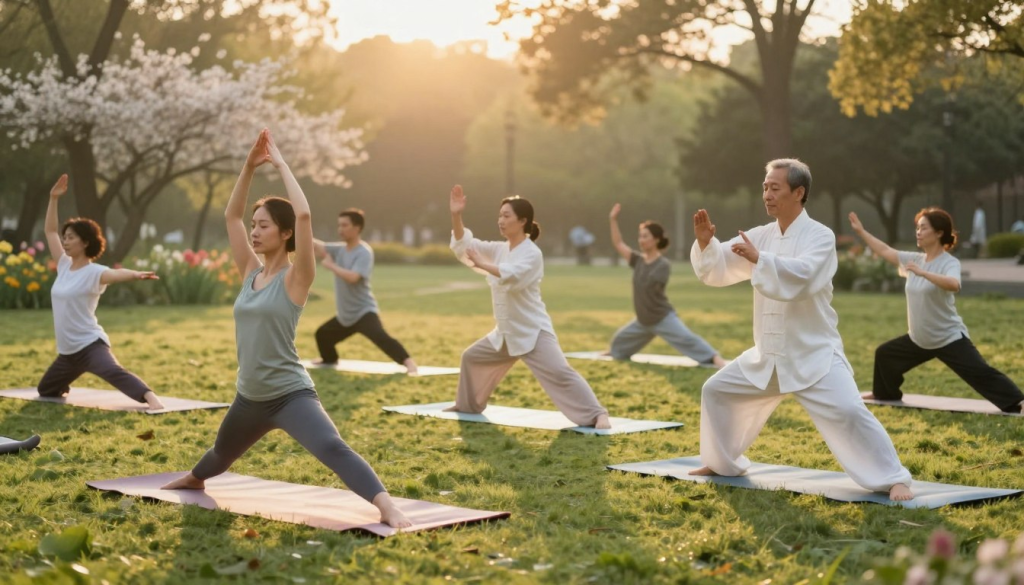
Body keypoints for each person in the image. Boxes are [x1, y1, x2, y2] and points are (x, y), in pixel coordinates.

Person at [161, 130, 410, 528]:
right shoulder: (249, 271)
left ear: (285, 232)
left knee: (331, 446)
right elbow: (231, 216)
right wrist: (247, 167)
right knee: (218, 458)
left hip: (290, 395)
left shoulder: (298, 277)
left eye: (264, 226)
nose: (254, 232)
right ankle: (195, 479)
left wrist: (280, 165)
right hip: (249, 396)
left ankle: (388, 506)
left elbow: (306, 215)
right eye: (254, 225)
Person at [688, 159, 913, 501]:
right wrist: (707, 243)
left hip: (813, 354)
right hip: (768, 357)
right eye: (765, 187)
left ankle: (893, 478)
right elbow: (718, 269)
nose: (767, 194)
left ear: (799, 192)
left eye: (775, 188)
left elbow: (805, 276)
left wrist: (760, 260)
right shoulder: (760, 235)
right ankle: (722, 462)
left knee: (850, 411)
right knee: (716, 391)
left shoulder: (819, 236)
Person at [446, 185, 611, 429]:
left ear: (523, 221)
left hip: (533, 332)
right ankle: (467, 405)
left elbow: (512, 276)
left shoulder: (532, 254)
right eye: (500, 215)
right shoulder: (499, 249)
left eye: (506, 216)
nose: (501, 221)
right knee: (471, 357)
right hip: (505, 333)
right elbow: (465, 245)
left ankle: (598, 414)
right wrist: (456, 215)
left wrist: (483, 263)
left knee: (560, 372)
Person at [850, 208, 1024, 413]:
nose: (918, 232)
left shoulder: (949, 263)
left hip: (948, 337)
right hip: (919, 338)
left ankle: (1017, 401)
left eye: (923, 227)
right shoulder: (914, 260)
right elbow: (886, 251)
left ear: (939, 232)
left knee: (981, 372)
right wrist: (862, 232)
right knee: (885, 355)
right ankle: (885, 393)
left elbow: (954, 284)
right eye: (917, 228)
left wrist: (924, 273)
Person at [38, 174, 166, 411]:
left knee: (112, 371)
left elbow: (116, 274)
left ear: (85, 242)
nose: (65, 242)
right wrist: (53, 198)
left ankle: (151, 398)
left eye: (71, 238)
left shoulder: (94, 272)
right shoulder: (64, 265)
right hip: (67, 353)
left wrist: (135, 274)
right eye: (65, 238)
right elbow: (50, 231)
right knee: (45, 390)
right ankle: (65, 383)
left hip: (89, 345)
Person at [607, 203, 726, 368]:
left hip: (662, 318)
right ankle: (614, 351)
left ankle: (715, 359)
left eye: (645, 236)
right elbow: (619, 243)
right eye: (640, 236)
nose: (641, 240)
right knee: (618, 343)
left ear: (656, 239)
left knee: (687, 340)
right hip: (643, 321)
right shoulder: (637, 260)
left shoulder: (662, 264)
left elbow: (654, 285)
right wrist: (612, 219)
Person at [311, 209, 419, 375]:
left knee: (381, 338)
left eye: (345, 225)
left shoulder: (364, 252)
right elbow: (316, 245)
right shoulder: (339, 249)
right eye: (339, 225)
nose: (340, 229)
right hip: (345, 314)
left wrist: (331, 266)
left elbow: (354, 277)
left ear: (357, 227)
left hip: (363, 312)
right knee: (322, 334)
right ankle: (329, 359)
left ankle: (409, 363)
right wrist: (297, 225)